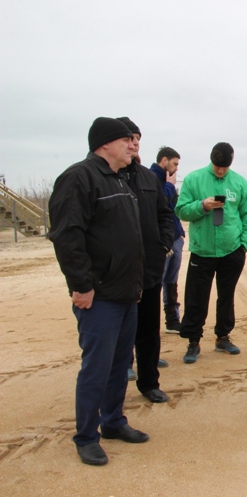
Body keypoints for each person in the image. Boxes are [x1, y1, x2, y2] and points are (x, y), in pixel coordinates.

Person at [48, 117, 151, 466]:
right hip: (100, 296)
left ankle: (113, 422)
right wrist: (81, 286)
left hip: (125, 293)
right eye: (126, 140)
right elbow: (67, 236)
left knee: (120, 364)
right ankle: (86, 436)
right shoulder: (79, 177)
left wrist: (136, 285)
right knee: (97, 367)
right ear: (105, 144)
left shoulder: (121, 178)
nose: (132, 145)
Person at [175, 142, 247, 363]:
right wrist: (202, 206)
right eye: (217, 166)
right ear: (211, 160)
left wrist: (244, 244)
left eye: (224, 167)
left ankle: (223, 337)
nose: (220, 170)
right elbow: (181, 211)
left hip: (232, 251)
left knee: (226, 297)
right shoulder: (194, 179)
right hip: (203, 251)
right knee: (196, 298)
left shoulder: (239, 182)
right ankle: (193, 341)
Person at [117, 118, 175, 403]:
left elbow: (165, 214)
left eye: (138, 137)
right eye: (129, 137)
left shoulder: (148, 177)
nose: (135, 142)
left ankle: (149, 382)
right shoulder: (103, 176)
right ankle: (116, 384)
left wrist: (163, 242)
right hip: (115, 273)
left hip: (149, 269)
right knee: (117, 333)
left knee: (149, 330)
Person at [149, 146, 185, 334]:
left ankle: (172, 320)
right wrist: (169, 186)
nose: (176, 169)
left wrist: (179, 234)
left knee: (171, 281)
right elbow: (158, 204)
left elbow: (174, 209)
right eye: (175, 164)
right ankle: (152, 324)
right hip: (161, 241)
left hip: (175, 237)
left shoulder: (166, 180)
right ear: (164, 161)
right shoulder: (150, 177)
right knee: (156, 282)